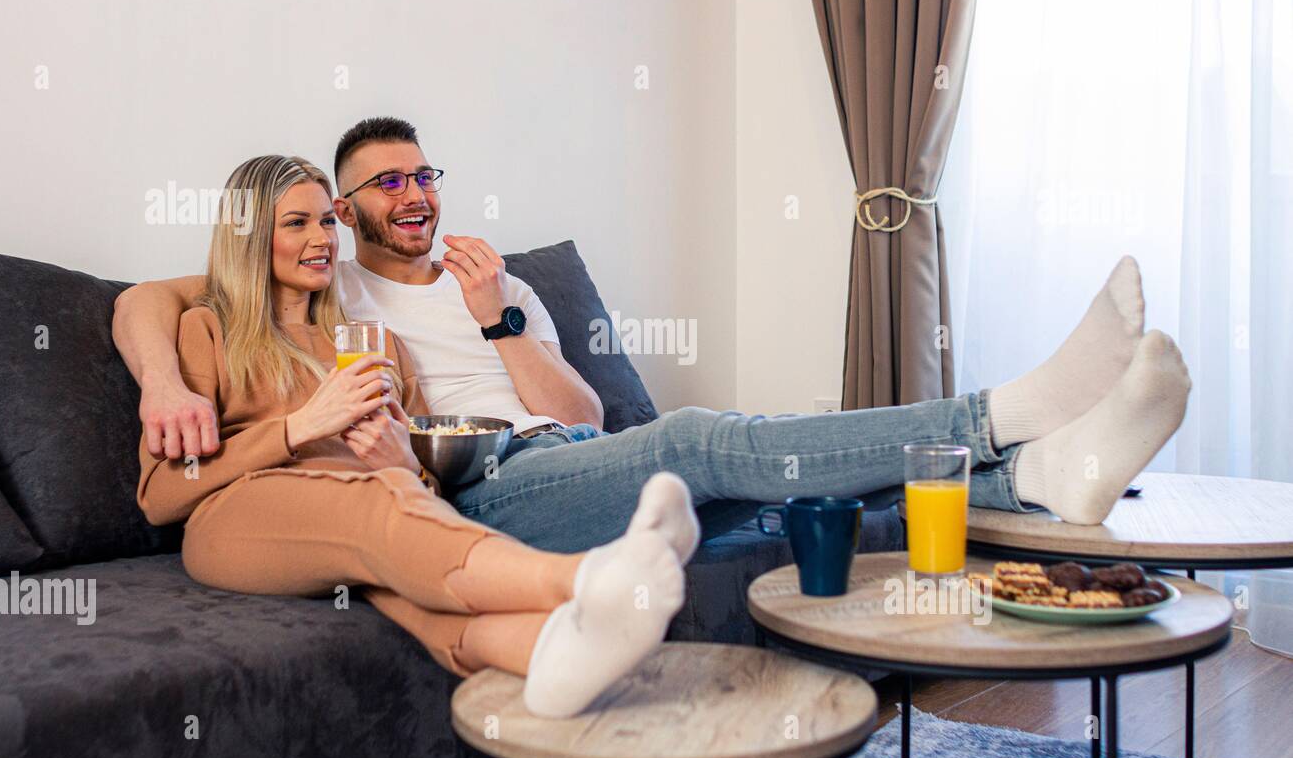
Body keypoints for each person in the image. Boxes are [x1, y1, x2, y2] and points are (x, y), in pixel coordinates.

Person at [115, 117, 1193, 555]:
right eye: (384, 182)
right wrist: (164, 377)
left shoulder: (505, 283)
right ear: (343, 210)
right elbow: (157, 295)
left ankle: (1033, 481)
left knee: (753, 488)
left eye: (423, 174)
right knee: (704, 439)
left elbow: (585, 416)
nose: (413, 194)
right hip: (476, 483)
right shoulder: (328, 276)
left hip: (562, 455)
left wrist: (499, 320)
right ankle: (1005, 411)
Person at [134, 153, 702, 719]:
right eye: (296, 223)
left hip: (368, 512)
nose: (322, 238)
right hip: (239, 519)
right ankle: (587, 580)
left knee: (400, 558)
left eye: (327, 221)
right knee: (374, 504)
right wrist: (298, 428)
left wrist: (406, 461)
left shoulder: (373, 343)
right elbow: (160, 496)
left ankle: (546, 657)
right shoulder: (206, 328)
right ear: (252, 237)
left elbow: (426, 481)